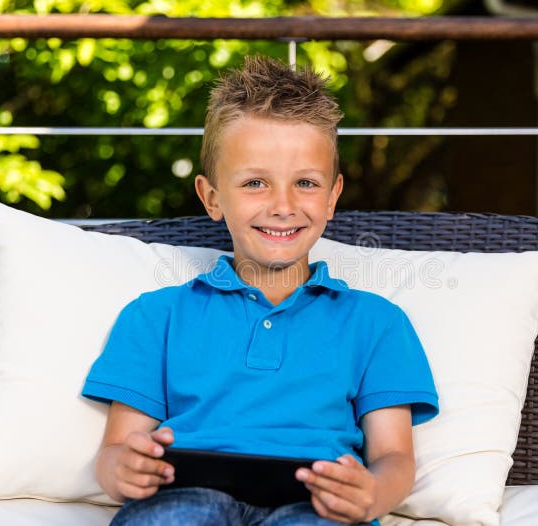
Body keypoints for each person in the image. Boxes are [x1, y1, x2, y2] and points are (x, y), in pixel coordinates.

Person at [82, 55, 439, 526]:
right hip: (186, 499)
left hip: (316, 508)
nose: (282, 206)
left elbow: (394, 456)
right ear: (212, 198)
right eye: (255, 183)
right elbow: (116, 450)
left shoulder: (377, 323)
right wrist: (122, 470)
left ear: (332, 197)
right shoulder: (155, 317)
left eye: (306, 184)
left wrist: (371, 494)